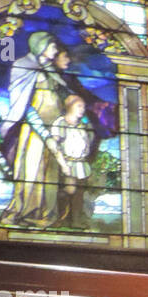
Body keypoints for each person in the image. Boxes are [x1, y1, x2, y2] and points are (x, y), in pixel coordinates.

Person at [1, 31, 66, 226]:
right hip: (34, 131)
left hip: (55, 129)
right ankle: (24, 211)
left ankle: (46, 214)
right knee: (31, 170)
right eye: (52, 46)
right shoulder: (23, 66)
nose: (55, 50)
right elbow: (24, 105)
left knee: (51, 172)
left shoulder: (51, 70)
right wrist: (43, 132)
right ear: (41, 46)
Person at [49, 94, 93, 228]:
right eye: (79, 106)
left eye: (84, 107)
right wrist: (62, 164)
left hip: (81, 164)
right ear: (69, 106)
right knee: (67, 191)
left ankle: (75, 221)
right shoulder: (61, 123)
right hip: (67, 163)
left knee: (79, 193)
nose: (82, 109)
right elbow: (53, 145)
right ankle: (61, 218)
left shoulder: (82, 125)